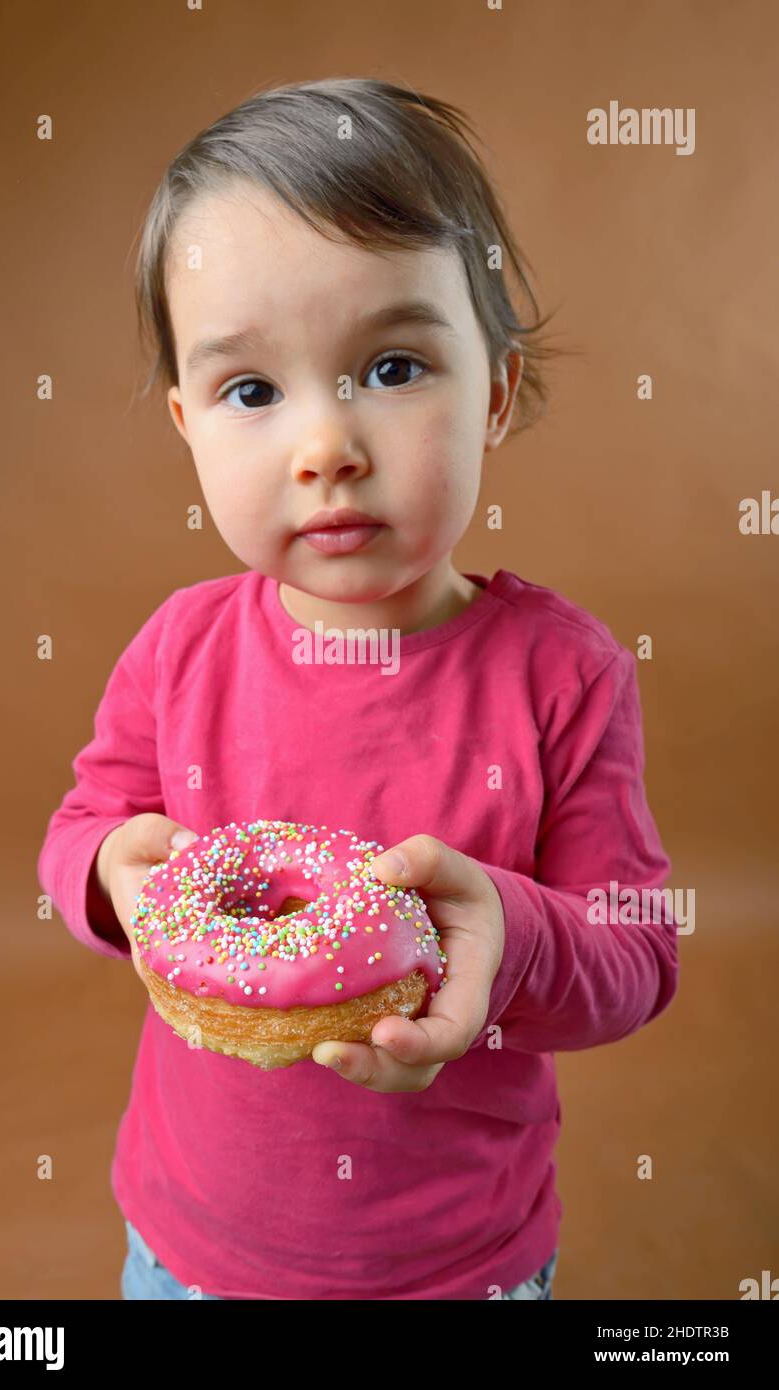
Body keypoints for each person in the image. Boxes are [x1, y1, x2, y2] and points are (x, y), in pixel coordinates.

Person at [37, 77, 679, 1301]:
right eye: (251, 391)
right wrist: (108, 872)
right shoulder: (179, 653)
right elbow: (81, 830)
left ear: (492, 387)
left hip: (455, 1262)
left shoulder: (564, 675)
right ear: (186, 424)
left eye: (390, 367)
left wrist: (511, 925)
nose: (323, 445)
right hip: (192, 1251)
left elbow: (637, 955)